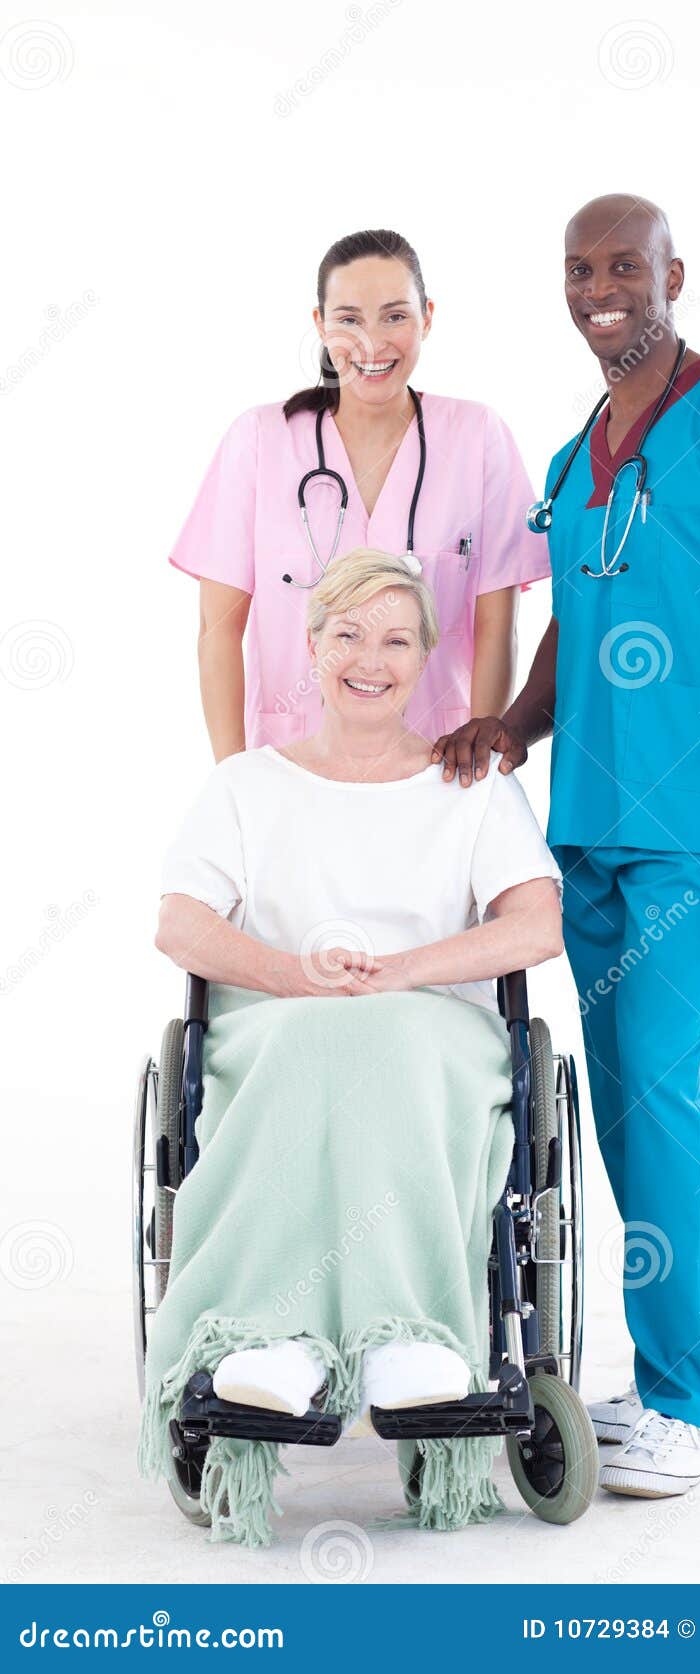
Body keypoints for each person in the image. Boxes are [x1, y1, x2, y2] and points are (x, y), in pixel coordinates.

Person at [433, 193, 700, 1501]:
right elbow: (579, 620)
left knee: (664, 1097)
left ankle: (693, 1397)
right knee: (624, 1109)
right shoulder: (576, 453)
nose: (601, 286)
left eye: (626, 266)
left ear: (675, 275)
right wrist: (512, 723)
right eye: (580, 269)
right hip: (591, 834)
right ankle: (668, 1370)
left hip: (699, 838)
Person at [137, 550, 564, 1546]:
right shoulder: (246, 785)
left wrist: (405, 970)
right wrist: (294, 975)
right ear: (312, 646)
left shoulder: (469, 786)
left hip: (435, 1042)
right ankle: (277, 1334)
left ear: (426, 657)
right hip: (276, 1031)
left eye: (396, 638)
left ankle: (407, 1335)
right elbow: (181, 925)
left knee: (382, 1039)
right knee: (319, 1042)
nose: (370, 657)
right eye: (348, 635)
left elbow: (536, 925)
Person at [168, 229, 550, 760]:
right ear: (320, 324)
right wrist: (234, 779)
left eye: (395, 316)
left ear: (428, 317)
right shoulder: (258, 441)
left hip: (435, 765)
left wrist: (479, 756)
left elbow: (496, 624)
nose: (372, 343)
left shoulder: (478, 437)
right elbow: (217, 630)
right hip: (287, 761)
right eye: (349, 319)